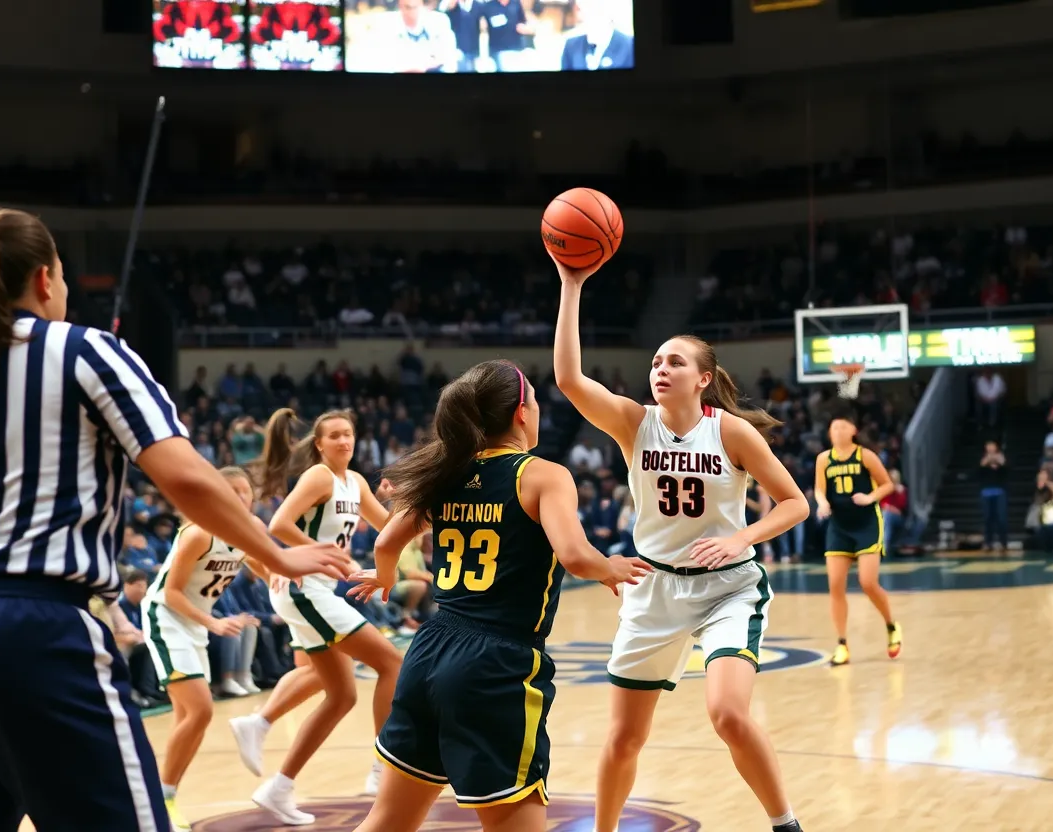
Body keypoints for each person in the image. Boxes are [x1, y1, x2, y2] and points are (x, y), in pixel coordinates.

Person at [0, 205, 347, 832]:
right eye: (62, 276)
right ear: (45, 280)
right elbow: (185, 477)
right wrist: (278, 554)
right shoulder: (84, 351)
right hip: (30, 628)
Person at [551, 254, 810, 832]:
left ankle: (785, 824)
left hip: (727, 588)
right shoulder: (632, 422)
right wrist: (571, 286)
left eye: (675, 361)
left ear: (703, 378)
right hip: (654, 587)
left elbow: (796, 503)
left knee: (727, 715)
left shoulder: (732, 430)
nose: (660, 369)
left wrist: (741, 536)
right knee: (623, 738)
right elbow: (569, 380)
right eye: (655, 361)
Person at [345, 360, 650, 832]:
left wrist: (385, 578)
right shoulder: (543, 475)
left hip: (428, 652)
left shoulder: (444, 473)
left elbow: (385, 542)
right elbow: (574, 555)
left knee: (386, 821)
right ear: (522, 413)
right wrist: (609, 566)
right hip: (495, 664)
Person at [229, 409, 403, 824]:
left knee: (341, 694)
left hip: (316, 590)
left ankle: (277, 784)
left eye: (349, 434)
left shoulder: (356, 482)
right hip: (304, 587)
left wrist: (403, 500)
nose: (344, 441)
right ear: (320, 444)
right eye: (335, 436)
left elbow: (391, 527)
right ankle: (383, 768)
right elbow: (281, 523)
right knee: (391, 662)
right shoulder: (319, 477)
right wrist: (321, 553)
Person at [142, 466, 268, 831]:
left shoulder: (247, 533)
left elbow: (270, 569)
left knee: (190, 717)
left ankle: (162, 795)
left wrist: (302, 576)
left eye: (245, 491)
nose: (240, 497)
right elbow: (171, 592)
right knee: (200, 710)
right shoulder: (199, 532)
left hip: (196, 623)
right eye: (231, 490)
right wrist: (214, 623)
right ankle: (162, 796)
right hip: (167, 616)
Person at [814, 412, 902, 668]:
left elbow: (887, 485)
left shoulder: (865, 455)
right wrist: (821, 503)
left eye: (842, 426)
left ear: (853, 430)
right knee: (835, 585)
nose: (837, 431)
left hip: (866, 524)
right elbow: (820, 489)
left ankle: (891, 625)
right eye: (834, 427)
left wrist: (869, 497)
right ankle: (842, 644)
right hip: (839, 526)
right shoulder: (823, 459)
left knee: (867, 583)